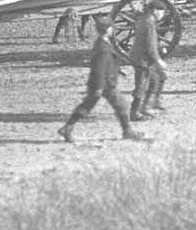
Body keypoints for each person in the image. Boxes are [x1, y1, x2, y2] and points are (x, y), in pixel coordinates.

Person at [57, 15, 143, 143]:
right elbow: (99, 68)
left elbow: (105, 64)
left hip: (100, 82)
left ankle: (68, 127)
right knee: (121, 105)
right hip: (104, 84)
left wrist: (116, 69)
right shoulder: (103, 47)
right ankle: (127, 131)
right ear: (108, 29)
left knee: (88, 106)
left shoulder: (101, 42)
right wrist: (99, 87)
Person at [128, 0, 168, 120]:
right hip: (142, 59)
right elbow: (150, 45)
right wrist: (158, 60)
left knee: (156, 80)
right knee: (141, 85)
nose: (162, 15)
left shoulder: (144, 19)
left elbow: (150, 42)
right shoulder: (149, 23)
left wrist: (160, 49)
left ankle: (145, 108)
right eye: (161, 12)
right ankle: (134, 113)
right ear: (155, 11)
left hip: (142, 57)